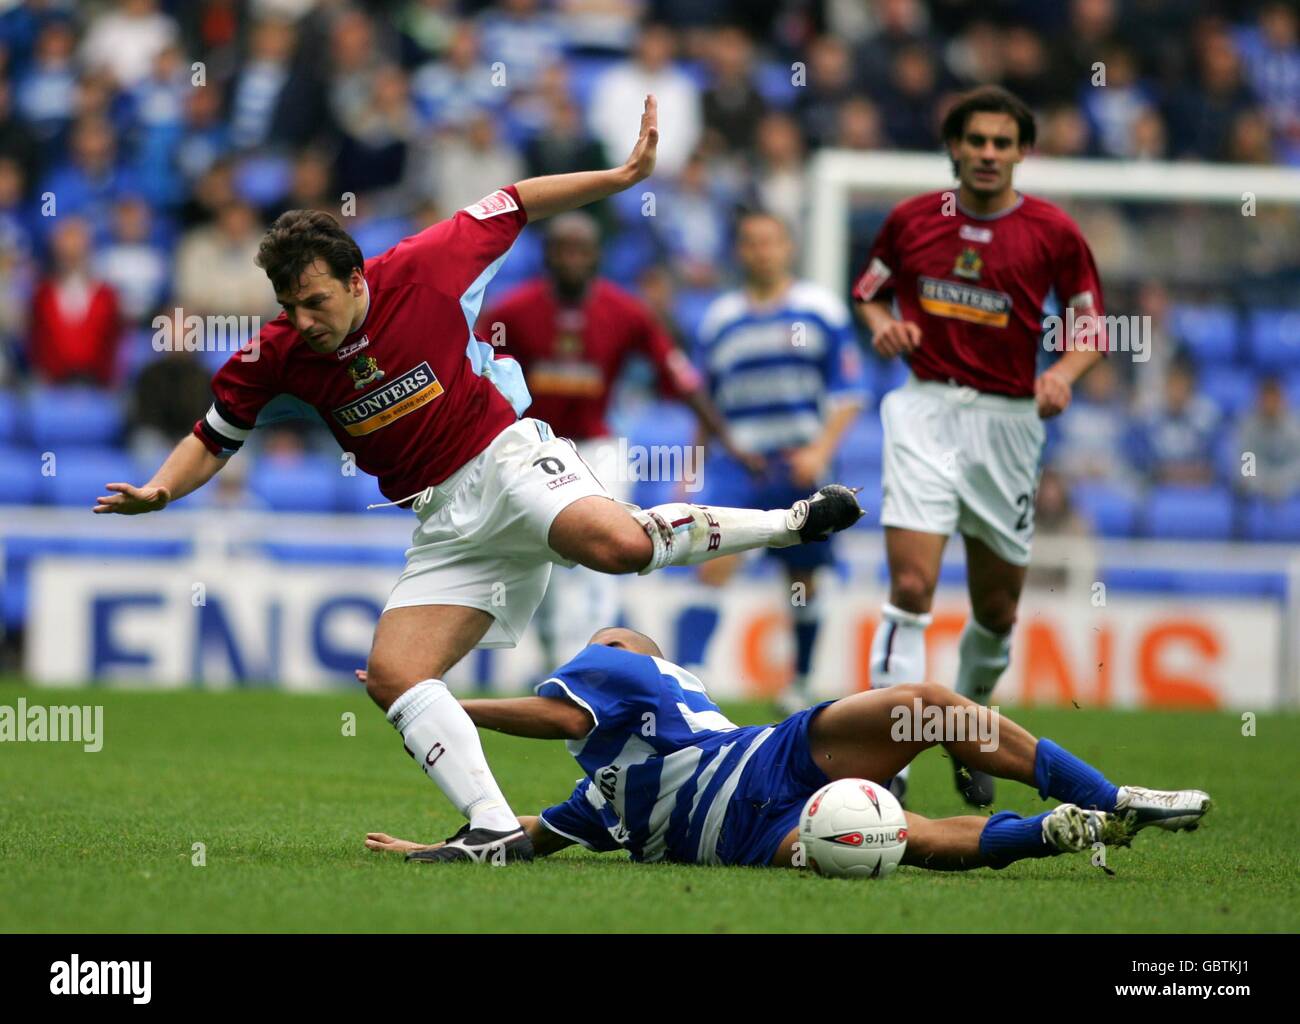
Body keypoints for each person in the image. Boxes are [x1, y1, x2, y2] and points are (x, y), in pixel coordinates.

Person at [93, 97, 865, 864]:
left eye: (316, 301)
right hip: (442, 521)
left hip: (504, 459)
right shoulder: (276, 354)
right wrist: (161, 489)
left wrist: (625, 175)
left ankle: (791, 522)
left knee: (620, 547)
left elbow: (520, 200)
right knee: (394, 675)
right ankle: (492, 825)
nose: (301, 320)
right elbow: (214, 436)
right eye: (288, 306)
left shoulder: (428, 264)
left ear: (358, 279)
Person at [363, 626, 1210, 871]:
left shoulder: (634, 676)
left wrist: (430, 701)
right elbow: (522, 837)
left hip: (772, 757)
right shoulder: (601, 803)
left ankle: (1109, 795)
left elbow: (560, 720)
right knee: (892, 837)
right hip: (754, 830)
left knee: (928, 706)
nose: (573, 684)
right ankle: (1059, 832)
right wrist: (438, 846)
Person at [853, 85, 1106, 808]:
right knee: (910, 588)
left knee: (997, 609)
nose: (988, 153)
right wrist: (882, 325)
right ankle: (886, 758)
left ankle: (968, 728)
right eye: (976, 141)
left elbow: (1090, 325)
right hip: (925, 411)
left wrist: (1062, 373)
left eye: (1002, 142)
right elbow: (868, 290)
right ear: (954, 149)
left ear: (1022, 151)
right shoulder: (909, 221)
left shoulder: (1055, 232)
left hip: (1009, 424)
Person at [481, 210, 752, 670]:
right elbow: (474, 376)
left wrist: (728, 440)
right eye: (561, 248)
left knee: (600, 564)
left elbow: (681, 380)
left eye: (580, 249)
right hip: (535, 449)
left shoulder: (626, 312)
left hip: (598, 451)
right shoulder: (511, 312)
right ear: (546, 256)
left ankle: (595, 669)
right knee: (541, 570)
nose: (571, 258)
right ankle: (556, 661)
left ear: (597, 257)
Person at [684, 210, 868, 715]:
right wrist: (692, 464)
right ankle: (690, 681)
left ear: (787, 247)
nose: (761, 251)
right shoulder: (719, 319)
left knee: (802, 579)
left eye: (770, 241)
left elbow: (850, 391)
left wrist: (819, 451)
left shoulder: (820, 310)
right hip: (739, 465)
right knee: (712, 562)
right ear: (740, 251)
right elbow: (704, 399)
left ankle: (799, 683)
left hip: (798, 464)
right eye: (750, 242)